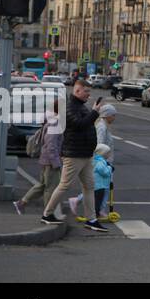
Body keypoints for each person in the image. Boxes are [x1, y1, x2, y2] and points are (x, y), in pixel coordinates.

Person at [41, 78, 108, 231]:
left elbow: (86, 123)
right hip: (74, 154)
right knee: (65, 185)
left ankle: (91, 220)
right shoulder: (69, 107)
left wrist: (92, 113)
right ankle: (47, 214)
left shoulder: (81, 107)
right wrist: (94, 113)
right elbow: (79, 125)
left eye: (89, 92)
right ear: (77, 91)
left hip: (85, 154)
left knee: (89, 186)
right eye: (86, 91)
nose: (88, 95)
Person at [14, 97, 62, 216]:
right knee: (51, 187)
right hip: (50, 161)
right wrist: (56, 162)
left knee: (42, 185)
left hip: (45, 159)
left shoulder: (50, 120)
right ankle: (48, 214)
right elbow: (51, 145)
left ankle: (22, 203)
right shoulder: (55, 123)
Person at [91, 144, 113, 222]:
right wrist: (110, 168)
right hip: (100, 185)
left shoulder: (97, 160)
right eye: (108, 153)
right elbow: (104, 172)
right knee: (98, 201)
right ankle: (96, 214)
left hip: (98, 184)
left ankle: (96, 213)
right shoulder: (100, 162)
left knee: (97, 200)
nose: (109, 155)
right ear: (102, 153)